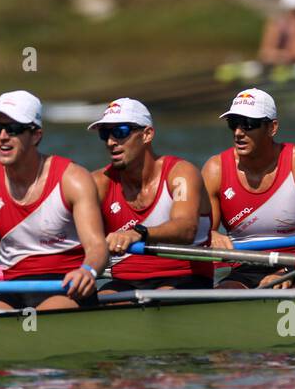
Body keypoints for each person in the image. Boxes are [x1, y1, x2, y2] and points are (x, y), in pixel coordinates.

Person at [0, 90, 109, 310]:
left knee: (47, 315)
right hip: (14, 288)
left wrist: (89, 271)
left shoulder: (73, 179)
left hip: (69, 287)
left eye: (13, 129)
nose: (3, 136)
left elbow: (97, 246)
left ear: (36, 135)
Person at [202, 88, 295, 288]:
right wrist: (211, 235)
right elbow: (200, 233)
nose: (238, 133)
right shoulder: (215, 170)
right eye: (233, 124)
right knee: (220, 299)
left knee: (286, 294)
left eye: (248, 124)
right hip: (245, 269)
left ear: (272, 128)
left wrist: (288, 273)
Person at [87, 98, 213, 291]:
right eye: (105, 134)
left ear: (147, 135)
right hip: (126, 281)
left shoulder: (181, 173)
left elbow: (186, 228)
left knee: (160, 298)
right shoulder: (99, 182)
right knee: (105, 300)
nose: (111, 142)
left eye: (121, 132)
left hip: (183, 276)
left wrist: (138, 234)